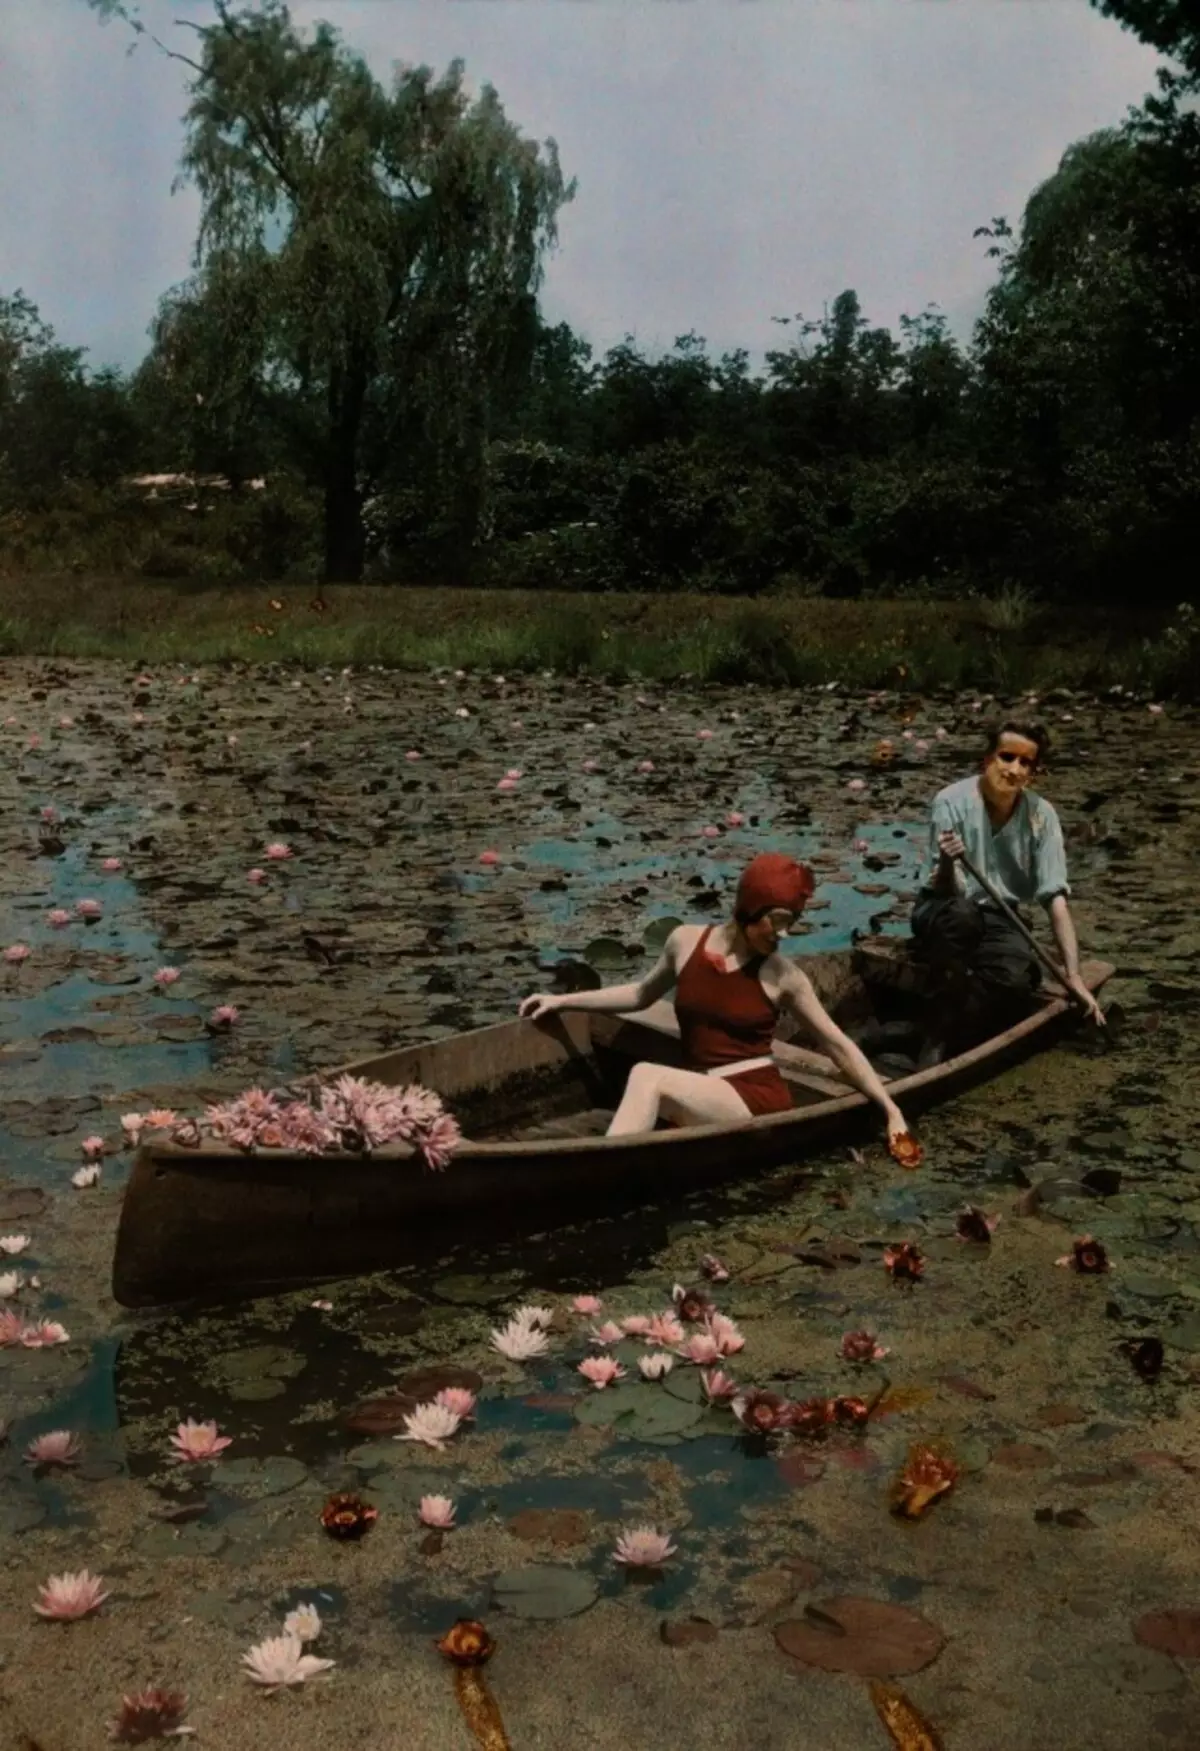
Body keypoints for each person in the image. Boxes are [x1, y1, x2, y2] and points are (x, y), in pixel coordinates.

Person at [519, 851, 911, 1144]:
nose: (784, 935)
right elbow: (639, 995)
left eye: (792, 924)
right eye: (777, 922)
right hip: (699, 1088)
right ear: (748, 909)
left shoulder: (783, 976)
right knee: (649, 1081)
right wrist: (563, 1002)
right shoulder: (684, 941)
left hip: (754, 1099)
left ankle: (604, 1166)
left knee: (645, 1074)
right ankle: (619, 1156)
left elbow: (836, 1044)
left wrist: (890, 1109)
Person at [912, 719, 1105, 1057]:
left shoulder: (1042, 817)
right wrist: (946, 860)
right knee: (963, 916)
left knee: (1017, 981)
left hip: (998, 915)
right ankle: (935, 1039)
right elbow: (947, 889)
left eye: (1025, 762)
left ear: (1034, 771)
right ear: (987, 759)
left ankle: (914, 1033)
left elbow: (1055, 899)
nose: (1014, 769)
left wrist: (1073, 975)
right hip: (943, 907)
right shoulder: (950, 801)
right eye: (1006, 757)